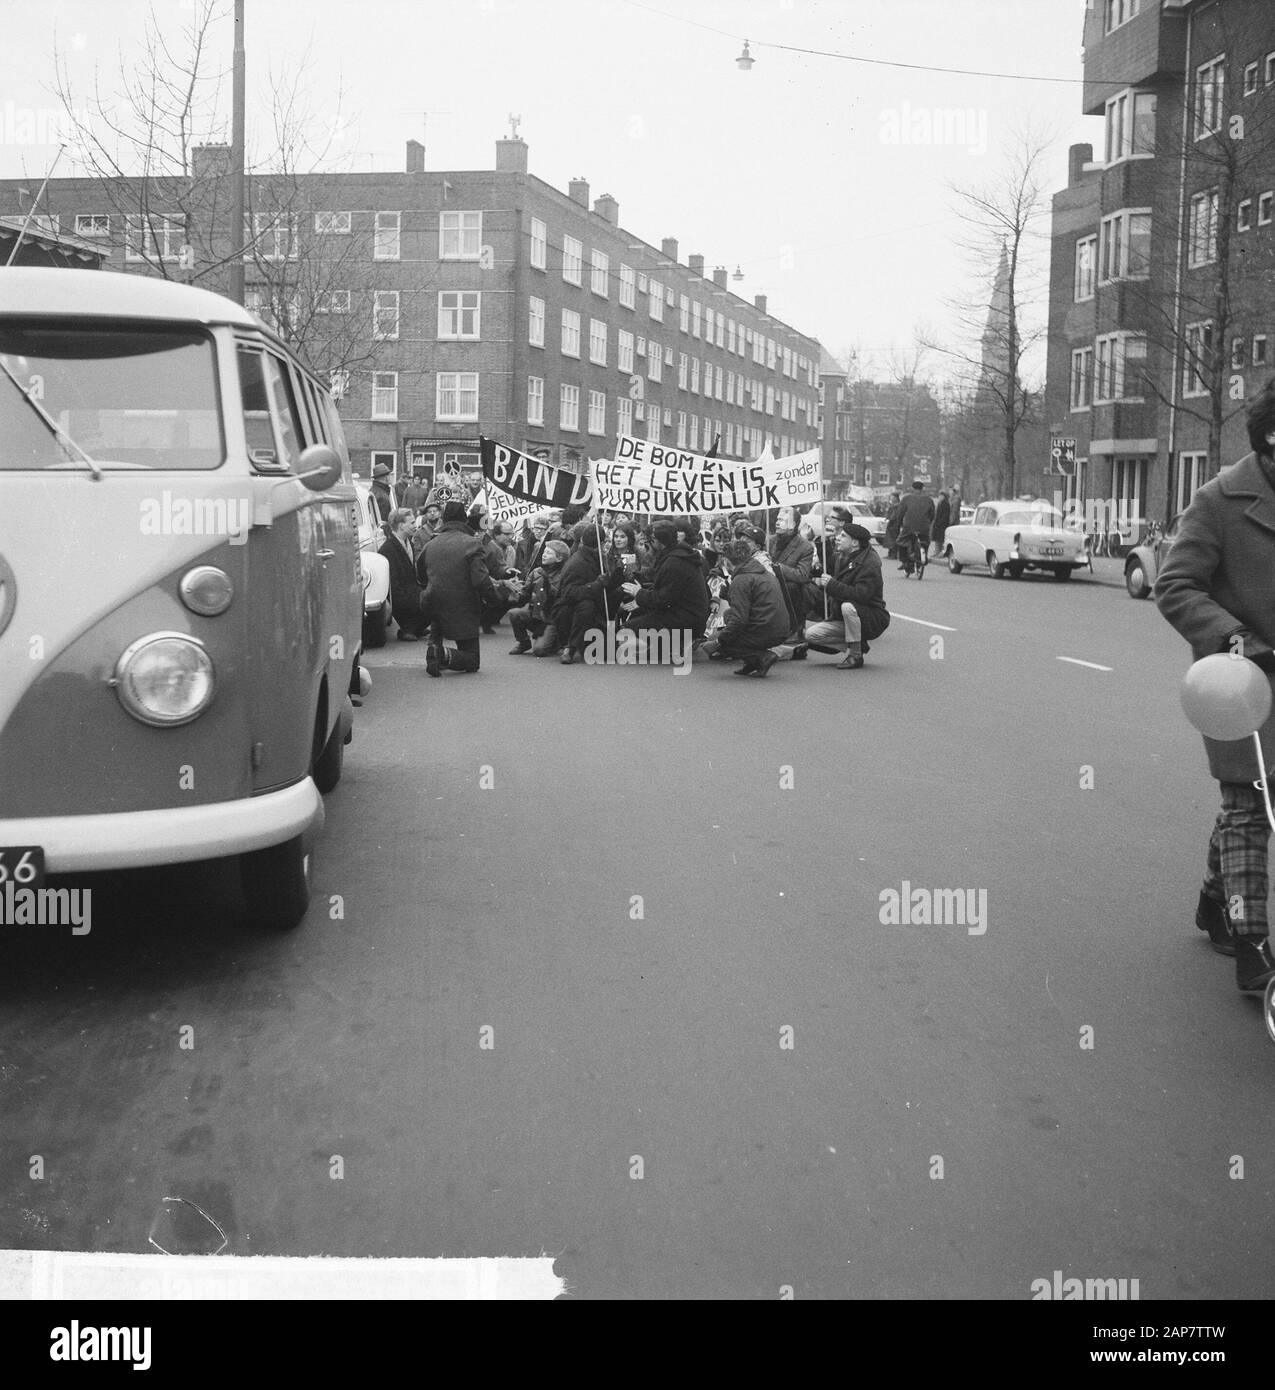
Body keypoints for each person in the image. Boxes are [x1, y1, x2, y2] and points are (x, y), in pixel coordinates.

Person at [1154, 379, 1275, 993]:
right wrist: (1234, 637)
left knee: (1251, 805)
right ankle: (1253, 944)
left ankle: (1214, 897)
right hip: (1241, 680)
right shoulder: (1218, 500)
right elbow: (1175, 586)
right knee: (1250, 802)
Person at [416, 501, 503, 675]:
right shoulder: (472, 544)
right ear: (464, 520)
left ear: (444, 519)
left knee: (437, 619)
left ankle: (434, 648)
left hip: (432, 601)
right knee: (472, 659)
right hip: (463, 605)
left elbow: (420, 575)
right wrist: (495, 600)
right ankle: (441, 654)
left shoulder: (430, 544)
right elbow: (480, 580)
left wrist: (430, 589)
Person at [804, 524, 890, 669]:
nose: (838, 538)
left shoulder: (870, 562)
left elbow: (860, 595)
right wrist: (821, 541)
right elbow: (829, 564)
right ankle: (855, 641)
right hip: (845, 618)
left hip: (870, 617)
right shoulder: (844, 556)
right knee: (811, 635)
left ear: (855, 543)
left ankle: (856, 655)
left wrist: (832, 584)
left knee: (848, 606)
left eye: (843, 536)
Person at [702, 538, 790, 676]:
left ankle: (762, 657)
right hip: (779, 627)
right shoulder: (759, 571)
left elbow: (739, 620)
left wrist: (718, 642)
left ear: (727, 561)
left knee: (720, 640)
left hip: (766, 630)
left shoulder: (741, 580)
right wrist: (729, 594)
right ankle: (751, 663)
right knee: (728, 615)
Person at [619, 521, 712, 645]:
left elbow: (663, 599)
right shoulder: (678, 555)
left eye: (649, 541)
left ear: (657, 541)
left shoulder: (674, 562)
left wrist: (638, 593)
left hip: (686, 619)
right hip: (690, 614)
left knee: (626, 631)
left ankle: (679, 643)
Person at [552, 528, 611, 664]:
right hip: (570, 610)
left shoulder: (600, 558)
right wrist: (596, 585)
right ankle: (570, 647)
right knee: (586, 605)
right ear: (600, 544)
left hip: (597, 608)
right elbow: (569, 593)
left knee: (606, 653)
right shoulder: (577, 563)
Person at [507, 539, 569, 655]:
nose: (544, 555)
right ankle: (523, 642)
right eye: (544, 552)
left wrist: (547, 584)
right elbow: (525, 594)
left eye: (549, 553)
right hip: (534, 613)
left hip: (551, 618)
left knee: (539, 650)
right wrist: (516, 592)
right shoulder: (536, 572)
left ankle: (556, 641)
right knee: (514, 613)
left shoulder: (564, 574)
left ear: (559, 558)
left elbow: (559, 596)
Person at [378, 508, 429, 640]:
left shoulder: (408, 544)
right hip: (402, 599)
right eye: (411, 523)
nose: (415, 525)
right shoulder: (387, 550)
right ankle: (408, 627)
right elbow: (393, 585)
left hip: (412, 592)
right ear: (401, 526)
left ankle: (416, 627)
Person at [896, 479, 935, 577]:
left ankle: (905, 562)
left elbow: (900, 513)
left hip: (909, 526)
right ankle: (923, 556)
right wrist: (928, 523)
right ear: (922, 489)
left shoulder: (906, 498)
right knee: (925, 541)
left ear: (912, 488)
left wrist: (899, 523)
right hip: (924, 527)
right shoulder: (929, 500)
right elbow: (932, 514)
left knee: (901, 542)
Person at [931, 490, 951, 558]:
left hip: (942, 525)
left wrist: (939, 523)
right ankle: (936, 552)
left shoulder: (946, 504)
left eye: (941, 495)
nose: (940, 497)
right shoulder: (939, 503)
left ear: (944, 496)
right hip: (937, 524)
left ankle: (940, 552)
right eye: (939, 495)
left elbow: (945, 516)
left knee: (940, 539)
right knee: (937, 539)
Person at [883, 491, 903, 559]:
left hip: (895, 524)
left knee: (893, 539)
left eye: (892, 497)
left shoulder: (897, 506)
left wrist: (890, 519)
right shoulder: (893, 505)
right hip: (892, 524)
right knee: (890, 539)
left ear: (895, 498)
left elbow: (895, 515)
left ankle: (893, 554)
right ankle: (890, 553)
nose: (891, 498)